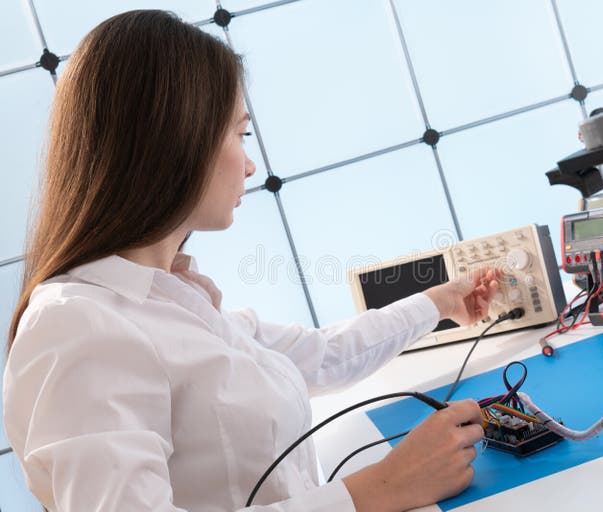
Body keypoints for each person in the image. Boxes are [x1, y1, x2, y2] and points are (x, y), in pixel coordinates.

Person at [2, 10, 502, 512]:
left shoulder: (174, 298)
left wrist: (440, 302)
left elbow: (322, 356)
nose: (249, 164)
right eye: (239, 135)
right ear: (175, 137)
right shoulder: (75, 325)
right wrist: (377, 490)